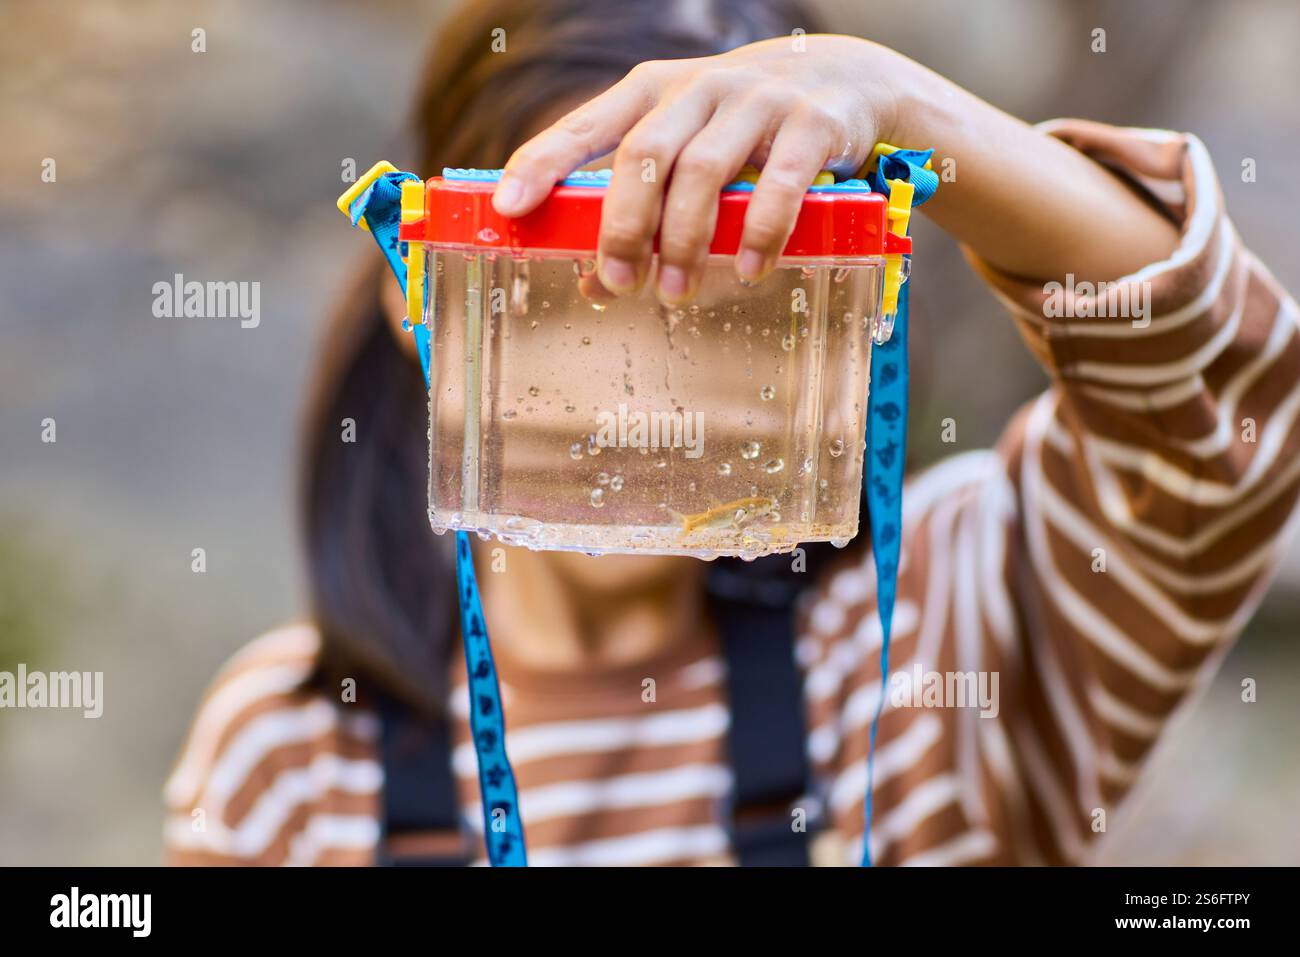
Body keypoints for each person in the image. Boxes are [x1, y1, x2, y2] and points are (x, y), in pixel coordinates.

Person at [165, 0, 1300, 866]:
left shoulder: (933, 648)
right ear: (427, 298)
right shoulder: (298, 761)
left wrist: (903, 105)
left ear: (831, 320)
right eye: (579, 288)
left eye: (734, 301)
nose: (650, 385)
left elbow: (1236, 417)